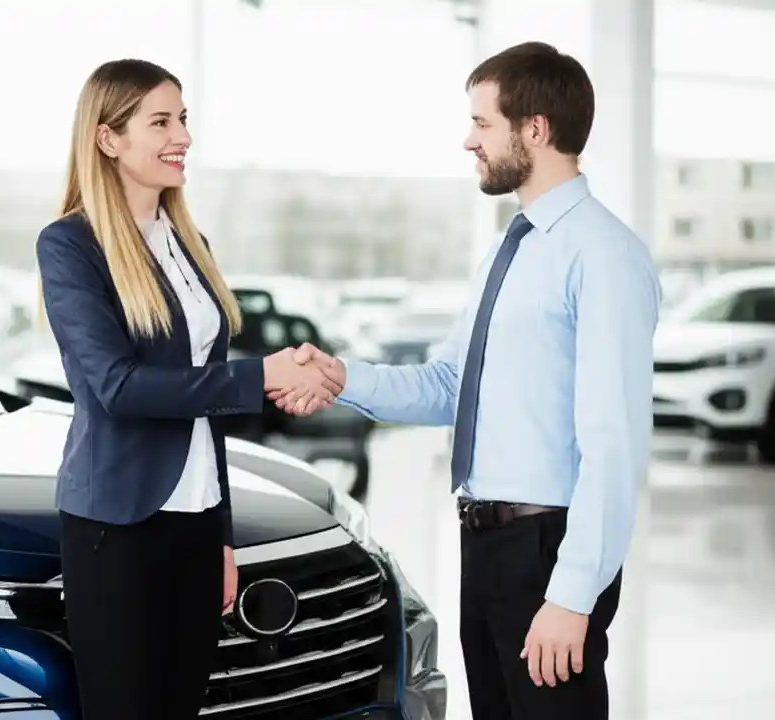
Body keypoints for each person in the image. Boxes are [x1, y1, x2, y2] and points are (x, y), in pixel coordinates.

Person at [276, 42, 661, 720]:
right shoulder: (512, 249)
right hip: (486, 546)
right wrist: (342, 378)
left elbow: (614, 443)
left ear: (534, 130)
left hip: (549, 551)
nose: (468, 141)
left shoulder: (603, 255)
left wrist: (571, 595)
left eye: (482, 125)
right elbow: (452, 382)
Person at [35, 58, 342, 720]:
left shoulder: (188, 242)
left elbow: (204, 408)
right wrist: (263, 376)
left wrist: (222, 535)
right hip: (118, 528)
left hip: (196, 528)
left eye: (183, 120)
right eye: (161, 122)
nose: (182, 137)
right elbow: (118, 387)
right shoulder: (69, 246)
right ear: (108, 138)